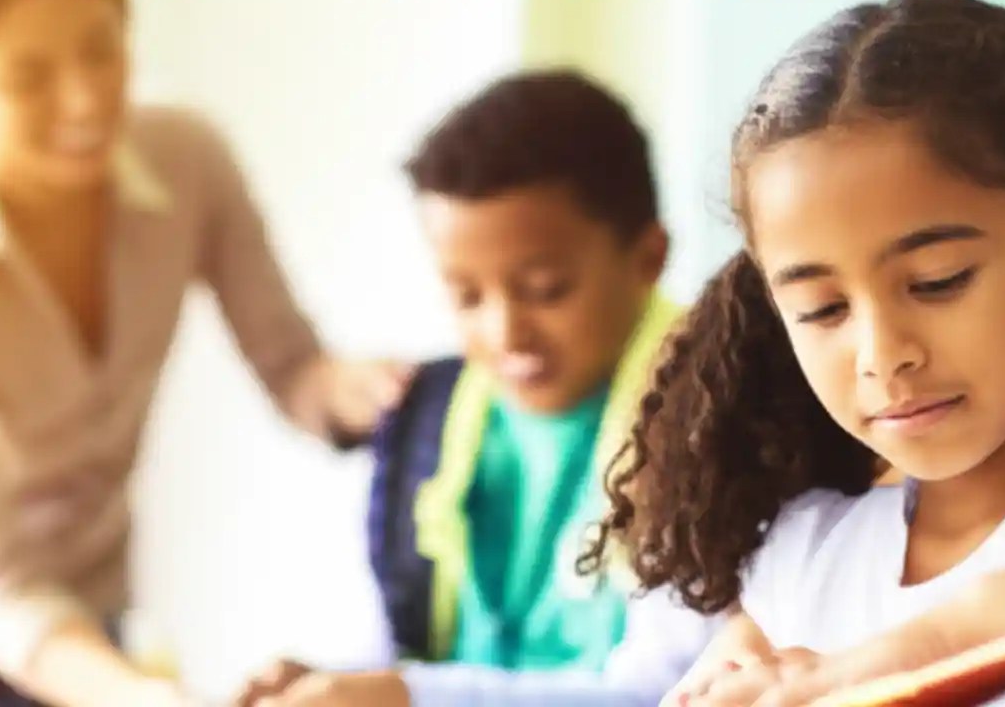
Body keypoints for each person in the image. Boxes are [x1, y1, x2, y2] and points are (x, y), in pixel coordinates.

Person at [581, 0, 1005, 705]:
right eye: (823, 309)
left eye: (938, 282)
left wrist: (939, 640)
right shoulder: (801, 571)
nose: (883, 354)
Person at [0, 0, 410, 705]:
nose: (84, 101)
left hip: (93, 612)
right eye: (27, 78)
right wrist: (147, 698)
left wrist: (377, 394)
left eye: (100, 50)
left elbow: (294, 366)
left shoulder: (185, 159)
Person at [236, 71, 716, 707]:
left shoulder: (714, 422)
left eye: (547, 290)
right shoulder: (429, 421)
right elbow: (409, 648)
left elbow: (669, 693)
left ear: (647, 258)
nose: (505, 332)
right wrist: (331, 684)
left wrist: (411, 696)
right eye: (466, 296)